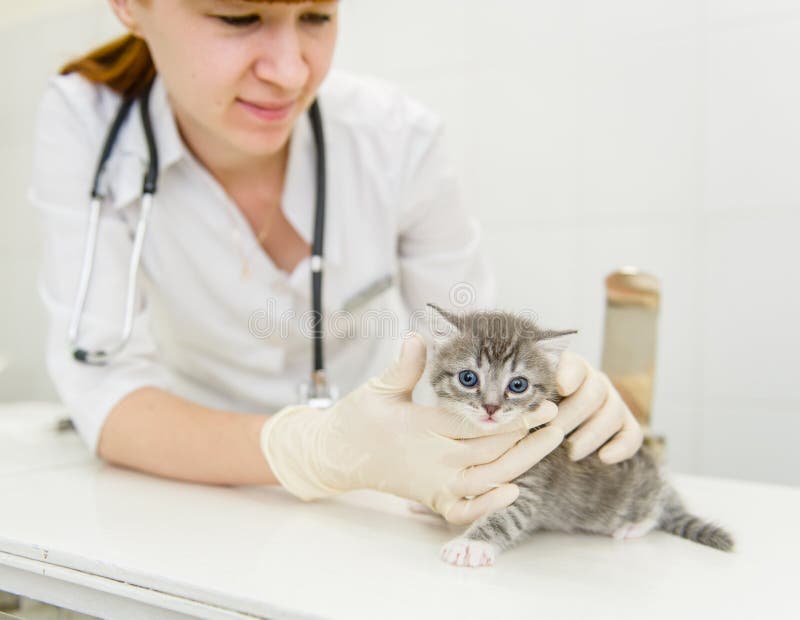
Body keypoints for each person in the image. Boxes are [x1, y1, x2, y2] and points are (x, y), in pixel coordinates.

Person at [31, 0, 644, 525]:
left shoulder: (395, 138)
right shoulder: (86, 124)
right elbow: (104, 392)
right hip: (182, 490)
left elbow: (469, 341)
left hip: (372, 501)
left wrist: (551, 397)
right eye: (238, 17)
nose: (290, 72)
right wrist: (314, 448)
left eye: (317, 16)